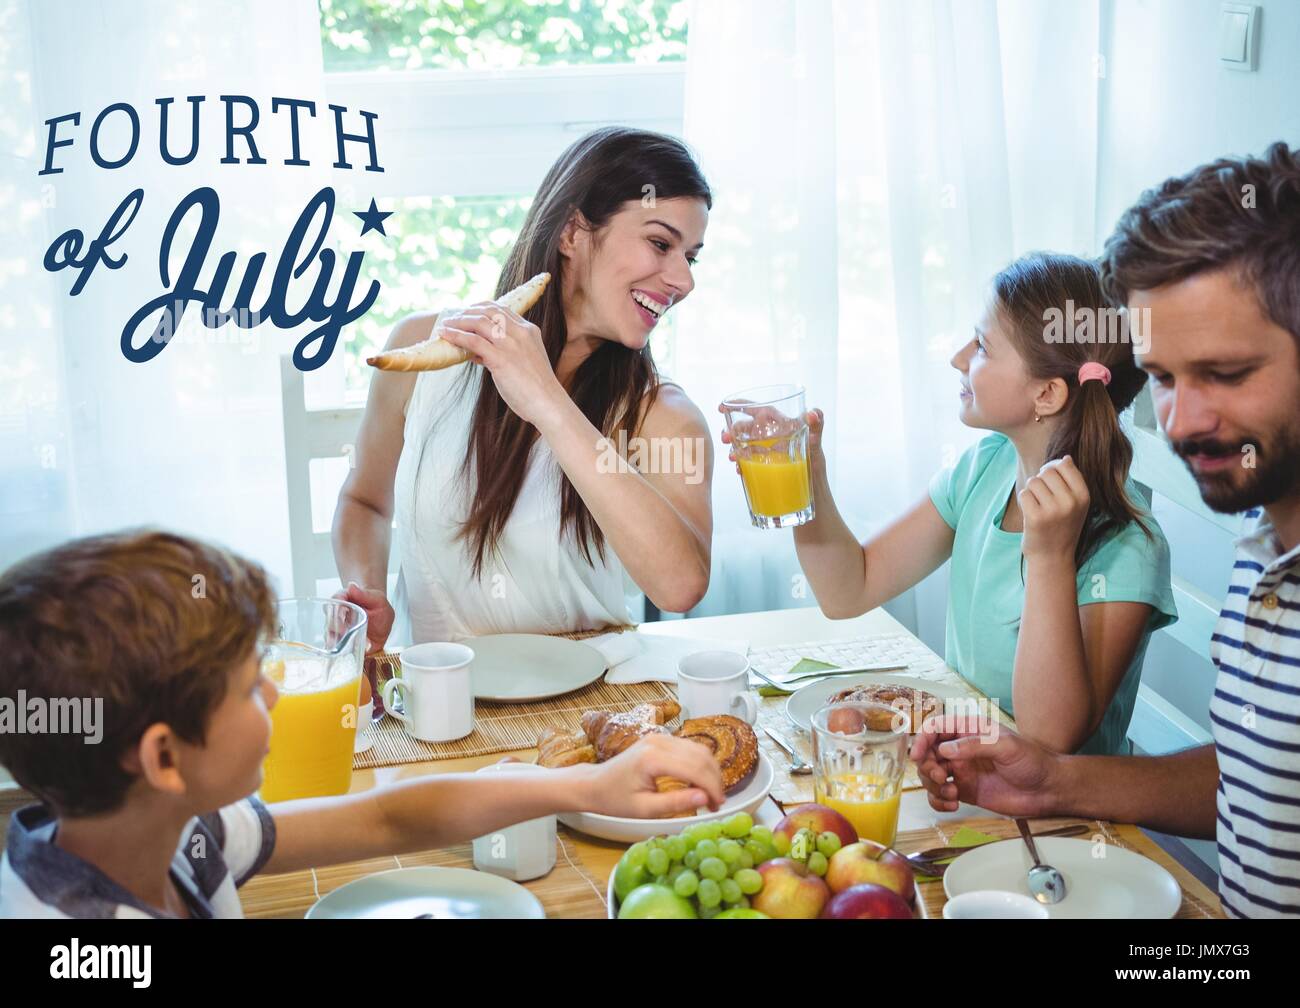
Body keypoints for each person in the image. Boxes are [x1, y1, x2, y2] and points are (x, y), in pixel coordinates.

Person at [911, 142, 1300, 919]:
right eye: (1161, 377)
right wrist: (1052, 780)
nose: (1181, 421)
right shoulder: (1265, 548)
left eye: (1225, 374)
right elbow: (1253, 775)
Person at [0, 529, 723, 919]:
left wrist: (587, 785)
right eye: (254, 688)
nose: (277, 700)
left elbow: (385, 820)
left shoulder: (178, 829)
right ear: (163, 758)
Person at [729, 252, 1176, 754]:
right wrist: (806, 473)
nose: (959, 357)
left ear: (1047, 394)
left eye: (983, 345)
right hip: (959, 770)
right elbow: (848, 589)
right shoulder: (986, 466)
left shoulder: (1126, 546)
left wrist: (1050, 556)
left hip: (1053, 819)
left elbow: (1050, 740)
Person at [333, 127, 714, 652]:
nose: (684, 281)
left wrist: (548, 402)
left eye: (690, 257)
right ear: (573, 233)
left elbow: (680, 586)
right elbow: (364, 502)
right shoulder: (424, 350)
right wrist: (366, 594)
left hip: (593, 714)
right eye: (659, 243)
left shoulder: (663, 415)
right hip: (440, 710)